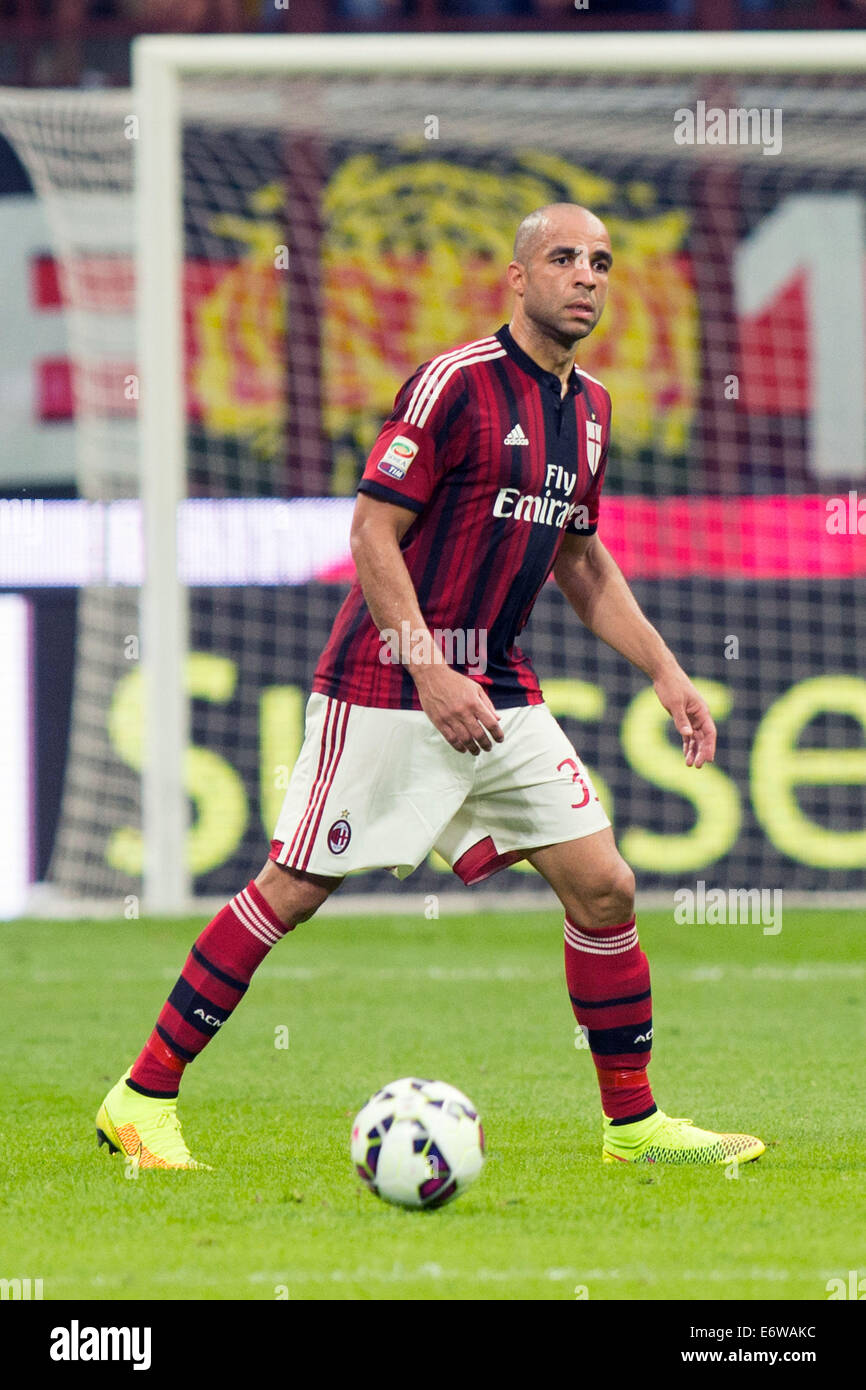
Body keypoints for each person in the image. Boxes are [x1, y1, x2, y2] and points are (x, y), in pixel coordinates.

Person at [96, 203, 764, 1170]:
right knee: (293, 886)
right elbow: (371, 533)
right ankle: (142, 1098)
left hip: (498, 686)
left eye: (603, 263)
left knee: (606, 888)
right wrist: (427, 663)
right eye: (565, 258)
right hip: (388, 679)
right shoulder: (455, 385)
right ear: (519, 277)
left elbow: (581, 562)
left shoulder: (593, 411)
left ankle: (635, 1128)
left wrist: (665, 671)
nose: (587, 276)